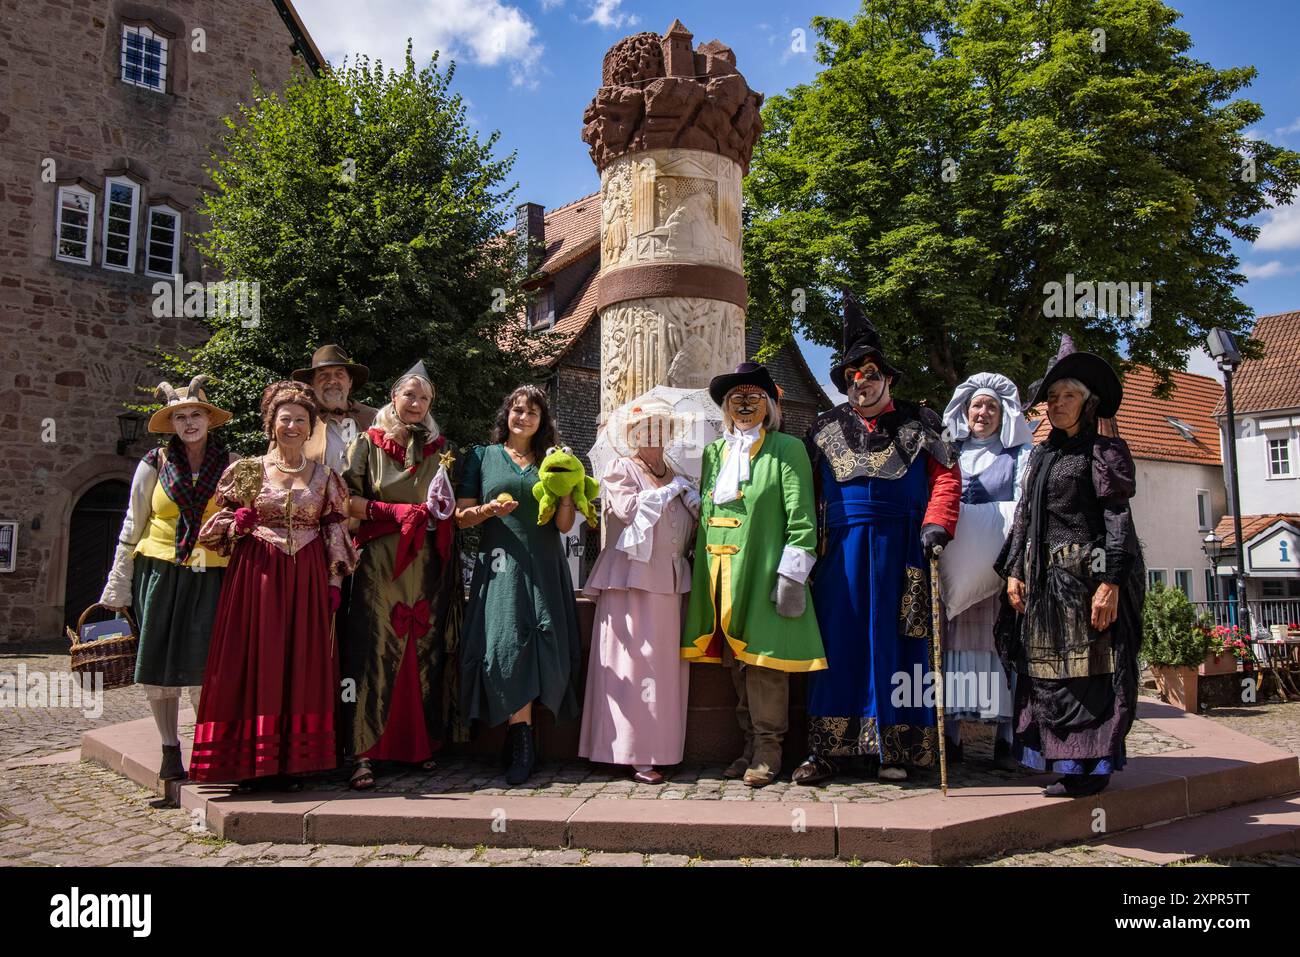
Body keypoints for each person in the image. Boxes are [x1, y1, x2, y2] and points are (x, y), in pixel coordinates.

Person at [794, 293, 961, 785]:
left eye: (868, 373)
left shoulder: (920, 422)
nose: (859, 383)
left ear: (887, 377)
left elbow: (947, 478)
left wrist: (937, 524)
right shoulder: (823, 428)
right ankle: (827, 751)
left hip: (903, 550)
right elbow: (805, 489)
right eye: (851, 376)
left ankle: (899, 748)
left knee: (900, 647)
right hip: (839, 555)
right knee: (837, 645)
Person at [996, 336, 1144, 798]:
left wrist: (1110, 584)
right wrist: (1016, 569)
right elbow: (1025, 516)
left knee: (1089, 674)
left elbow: (1119, 520)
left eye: (1069, 396)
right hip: (1044, 583)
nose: (1058, 405)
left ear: (1088, 402)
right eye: (1052, 398)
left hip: (1087, 579)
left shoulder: (1103, 453)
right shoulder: (1042, 455)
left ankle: (1092, 768)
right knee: (1048, 674)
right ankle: (1067, 763)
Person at [191, 381, 357, 790]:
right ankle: (249, 761)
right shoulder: (247, 472)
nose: (293, 426)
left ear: (310, 427)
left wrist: (335, 580)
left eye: (301, 420)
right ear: (271, 424)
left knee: (298, 661)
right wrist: (238, 523)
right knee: (255, 658)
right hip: (256, 575)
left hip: (307, 578)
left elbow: (335, 528)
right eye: (285, 419)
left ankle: (291, 763)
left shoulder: (325, 476)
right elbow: (212, 530)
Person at [681, 362, 827, 788]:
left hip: (763, 571)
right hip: (720, 573)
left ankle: (769, 750)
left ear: (769, 406)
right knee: (737, 663)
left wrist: (792, 576)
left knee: (765, 662)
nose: (744, 404)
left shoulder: (786, 449)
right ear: (726, 408)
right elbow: (711, 510)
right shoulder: (713, 453)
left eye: (753, 397)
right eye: (736, 398)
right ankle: (747, 744)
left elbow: (801, 517)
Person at [99, 377, 236, 781]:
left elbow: (244, 518)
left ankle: (206, 750)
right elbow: (133, 522)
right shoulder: (154, 463)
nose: (189, 422)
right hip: (159, 572)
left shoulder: (231, 462)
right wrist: (117, 585)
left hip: (211, 573)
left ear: (209, 419)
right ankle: (169, 750)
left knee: (205, 666)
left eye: (196, 414)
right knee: (159, 664)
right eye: (180, 417)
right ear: (171, 423)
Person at [341, 363, 461, 790]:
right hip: (380, 560)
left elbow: (448, 502)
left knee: (420, 646)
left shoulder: (440, 450)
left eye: (424, 398)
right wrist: (388, 511)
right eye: (409, 395)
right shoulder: (367, 444)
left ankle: (418, 744)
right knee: (376, 646)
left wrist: (443, 512)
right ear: (394, 398)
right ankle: (363, 751)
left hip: (426, 562)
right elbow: (344, 501)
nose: (416, 404)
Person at [455, 385, 582, 785]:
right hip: (499, 567)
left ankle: (520, 736)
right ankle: (520, 734)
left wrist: (565, 493)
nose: (523, 417)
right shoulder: (481, 456)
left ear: (542, 422)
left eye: (532, 413)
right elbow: (460, 517)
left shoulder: (554, 460)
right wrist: (489, 510)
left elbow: (564, 527)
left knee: (541, 642)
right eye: (517, 410)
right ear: (506, 415)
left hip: (545, 564)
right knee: (506, 645)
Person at [579, 398, 698, 784]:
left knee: (664, 670)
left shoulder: (678, 473)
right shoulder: (622, 468)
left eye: (661, 426)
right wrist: (668, 493)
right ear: (632, 434)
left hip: (670, 580)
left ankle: (661, 747)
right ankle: (627, 749)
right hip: (631, 581)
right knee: (633, 664)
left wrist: (694, 500)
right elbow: (628, 511)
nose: (654, 433)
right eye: (646, 427)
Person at [938, 372, 1033, 770]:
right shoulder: (948, 453)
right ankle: (951, 737)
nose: (983, 412)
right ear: (964, 409)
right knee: (952, 651)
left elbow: (1024, 508)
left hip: (997, 574)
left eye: (992, 406)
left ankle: (1002, 740)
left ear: (1004, 414)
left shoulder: (1018, 456)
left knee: (998, 651)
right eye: (977, 405)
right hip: (956, 572)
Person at [290, 344, 378, 474]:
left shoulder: (374, 419)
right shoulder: (297, 420)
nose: (332, 380)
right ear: (312, 384)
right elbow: (277, 466)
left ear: (350, 382)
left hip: (364, 495)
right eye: (323, 375)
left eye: (339, 374)